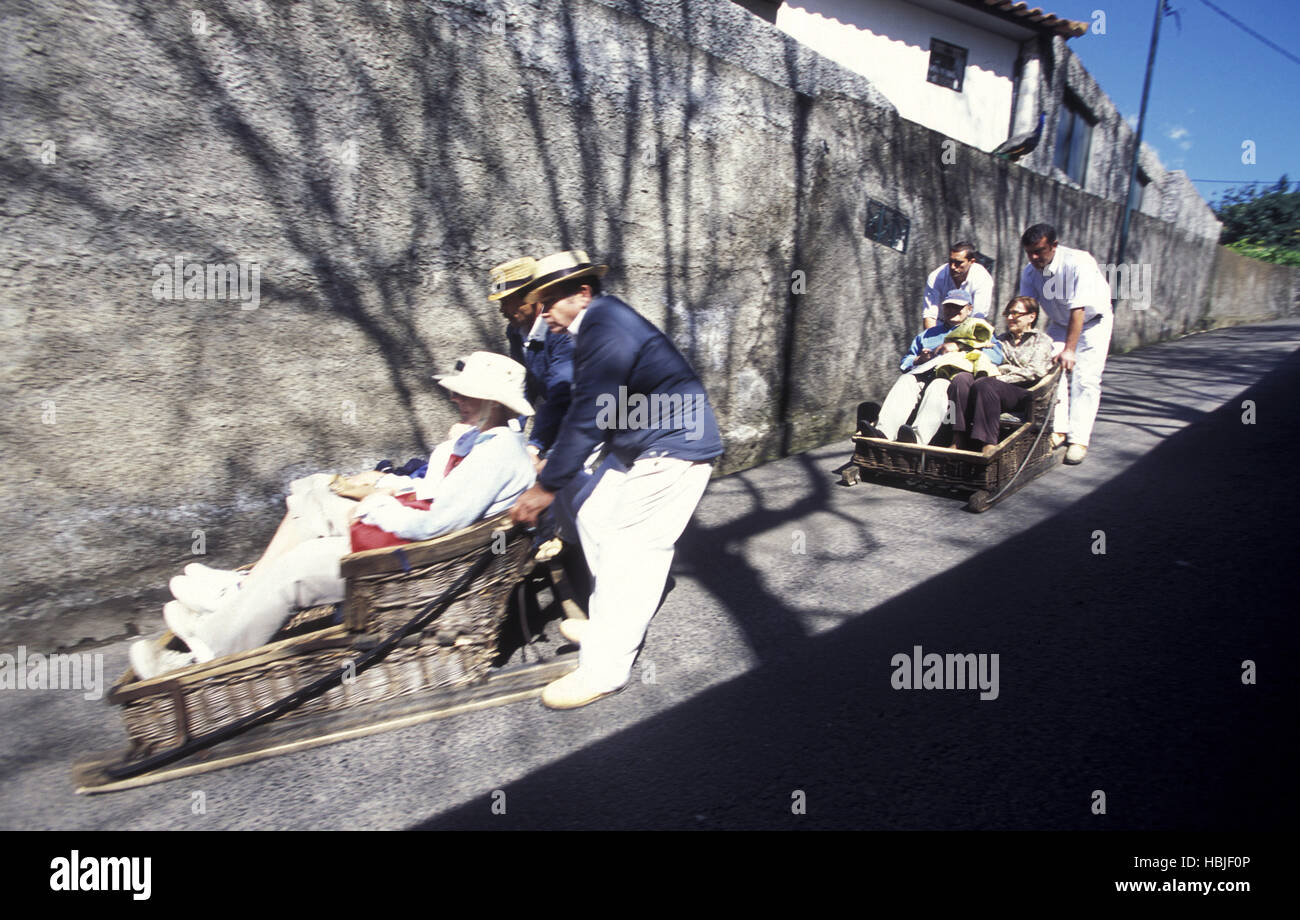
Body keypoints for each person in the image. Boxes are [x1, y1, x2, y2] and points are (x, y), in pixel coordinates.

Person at [129, 353, 537, 679]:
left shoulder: (495, 454)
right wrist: (393, 491)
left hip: (426, 566)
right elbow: (440, 502)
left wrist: (377, 507)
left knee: (299, 568)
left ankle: (205, 654)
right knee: (310, 535)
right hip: (425, 552)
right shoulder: (488, 445)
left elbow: (436, 524)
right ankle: (227, 614)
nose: (454, 398)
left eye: (465, 394)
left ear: (493, 403)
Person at [509, 250, 723, 710]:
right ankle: (612, 622)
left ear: (582, 294)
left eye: (550, 302)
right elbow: (596, 407)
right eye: (539, 305)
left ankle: (605, 670)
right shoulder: (597, 325)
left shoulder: (606, 325)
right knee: (591, 511)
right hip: (638, 443)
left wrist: (546, 487)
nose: (542, 314)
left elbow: (588, 413)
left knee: (631, 549)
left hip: (676, 446)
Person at [1017, 223, 1114, 464]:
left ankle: (1078, 439)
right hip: (1060, 323)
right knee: (1048, 369)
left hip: (1093, 322)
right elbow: (1027, 309)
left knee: (1085, 379)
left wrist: (1070, 350)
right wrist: (1020, 342)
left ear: (1054, 246)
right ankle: (1059, 429)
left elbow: (1078, 309)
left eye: (1039, 251)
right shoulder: (1030, 272)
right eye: (1029, 252)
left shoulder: (1078, 262)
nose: (1034, 258)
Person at [859, 290, 1004, 445]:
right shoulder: (928, 334)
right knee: (906, 380)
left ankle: (916, 439)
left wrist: (960, 347)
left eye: (958, 307)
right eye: (948, 306)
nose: (952, 310)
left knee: (938, 386)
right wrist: (919, 359)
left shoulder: (979, 330)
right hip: (925, 374)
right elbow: (906, 361)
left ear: (969, 309)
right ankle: (883, 433)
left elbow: (996, 356)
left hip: (952, 378)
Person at [488, 256, 575, 465]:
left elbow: (561, 393)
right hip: (559, 416)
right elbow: (522, 386)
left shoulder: (561, 331)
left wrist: (535, 445)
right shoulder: (516, 332)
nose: (502, 310)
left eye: (506, 301)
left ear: (531, 298)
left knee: (560, 475)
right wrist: (510, 433)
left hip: (589, 417)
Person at [947, 296, 1055, 455]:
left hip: (1025, 393)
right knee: (961, 379)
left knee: (985, 384)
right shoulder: (1001, 340)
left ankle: (988, 444)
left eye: (1015, 313)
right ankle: (957, 438)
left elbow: (1034, 372)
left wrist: (1000, 375)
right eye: (1007, 313)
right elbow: (989, 361)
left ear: (1031, 316)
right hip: (992, 388)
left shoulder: (1041, 341)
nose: (1010, 317)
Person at [922, 242, 993, 329]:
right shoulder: (936, 277)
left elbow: (978, 317)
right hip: (941, 325)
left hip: (969, 327)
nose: (952, 267)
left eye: (958, 262)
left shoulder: (982, 278)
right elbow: (930, 315)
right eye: (950, 261)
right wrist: (931, 337)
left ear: (972, 262)